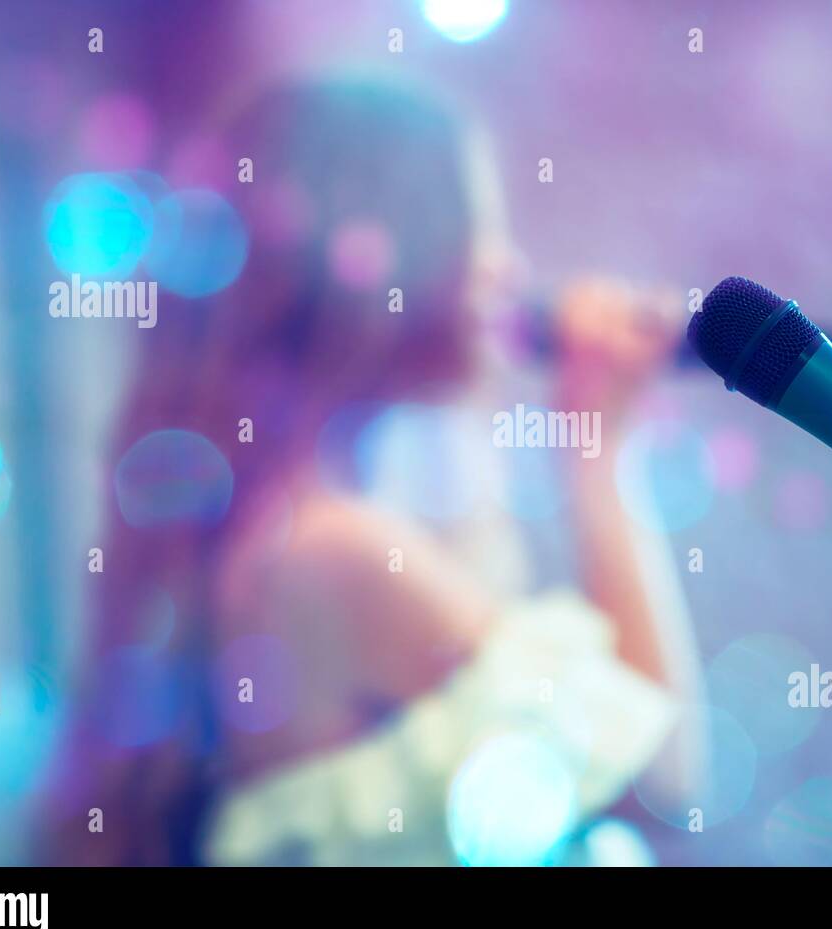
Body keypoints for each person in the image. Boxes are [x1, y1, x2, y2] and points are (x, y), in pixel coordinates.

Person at [42, 75, 702, 866]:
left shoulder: (266, 531)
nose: (507, 268)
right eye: (478, 224)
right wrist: (599, 448)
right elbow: (658, 776)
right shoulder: (332, 552)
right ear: (388, 251)